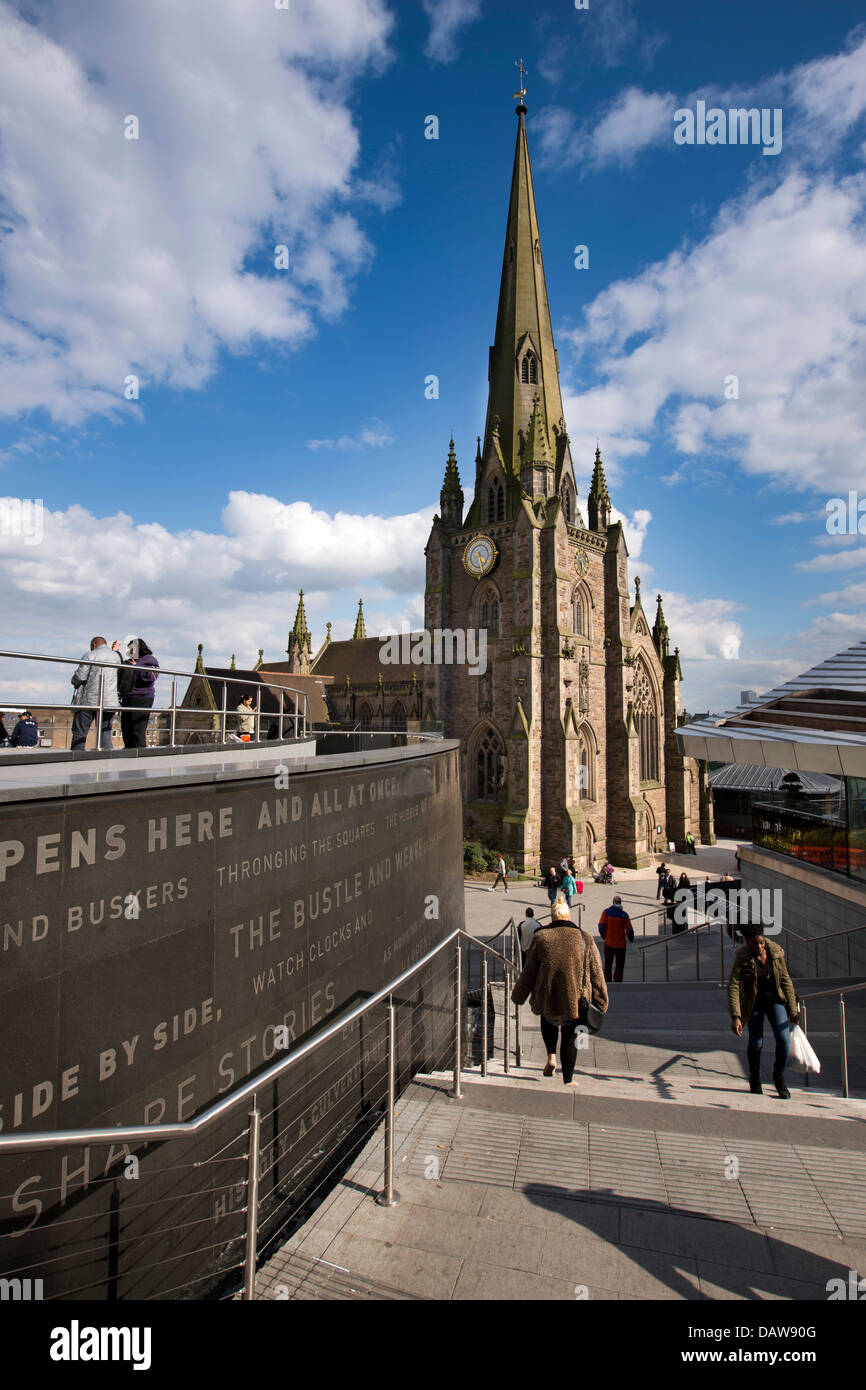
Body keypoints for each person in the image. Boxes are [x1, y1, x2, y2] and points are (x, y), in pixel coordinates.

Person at [512, 895, 608, 1086]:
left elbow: (529, 971)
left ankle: (551, 1056)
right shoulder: (584, 937)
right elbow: (596, 971)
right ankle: (568, 1080)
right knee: (570, 1037)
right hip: (576, 999)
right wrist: (602, 1000)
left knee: (548, 1023)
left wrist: (519, 995)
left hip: (547, 996)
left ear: (552, 917)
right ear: (568, 916)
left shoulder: (541, 937)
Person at [727, 929, 799, 1098]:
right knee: (756, 1042)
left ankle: (779, 1077)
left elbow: (785, 980)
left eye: (761, 943)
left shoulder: (775, 954)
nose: (759, 947)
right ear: (748, 943)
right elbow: (733, 985)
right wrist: (736, 1016)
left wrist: (793, 1010)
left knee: (784, 1040)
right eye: (755, 943)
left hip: (775, 1001)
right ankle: (755, 1079)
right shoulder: (743, 958)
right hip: (754, 1004)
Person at [71, 636, 121, 751]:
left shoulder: (90, 655)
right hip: (110, 701)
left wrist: (74, 680)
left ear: (94, 644)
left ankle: (76, 757)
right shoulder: (116, 657)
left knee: (80, 732)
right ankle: (106, 760)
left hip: (89, 700)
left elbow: (80, 676)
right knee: (105, 731)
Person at [120, 638, 160, 749]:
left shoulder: (150, 659)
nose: (129, 651)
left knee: (137, 730)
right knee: (126, 728)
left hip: (142, 697)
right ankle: (128, 755)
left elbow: (152, 676)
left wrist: (136, 667)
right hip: (128, 697)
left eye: (131, 649)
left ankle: (140, 757)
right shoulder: (130, 661)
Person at [598, 895, 635, 982]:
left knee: (608, 964)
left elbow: (601, 926)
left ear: (613, 902)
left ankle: (607, 981)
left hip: (609, 943)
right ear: (620, 903)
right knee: (620, 965)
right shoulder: (624, 915)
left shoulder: (606, 913)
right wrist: (631, 938)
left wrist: (605, 936)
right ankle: (618, 981)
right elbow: (629, 929)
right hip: (621, 944)